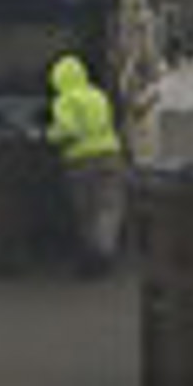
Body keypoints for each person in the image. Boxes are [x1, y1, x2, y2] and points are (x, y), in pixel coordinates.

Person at [43, 54, 126, 277]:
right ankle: (106, 249)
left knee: (86, 212)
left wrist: (49, 135)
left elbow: (69, 130)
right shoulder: (98, 95)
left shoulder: (65, 100)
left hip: (81, 161)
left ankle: (92, 257)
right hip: (110, 155)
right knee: (108, 207)